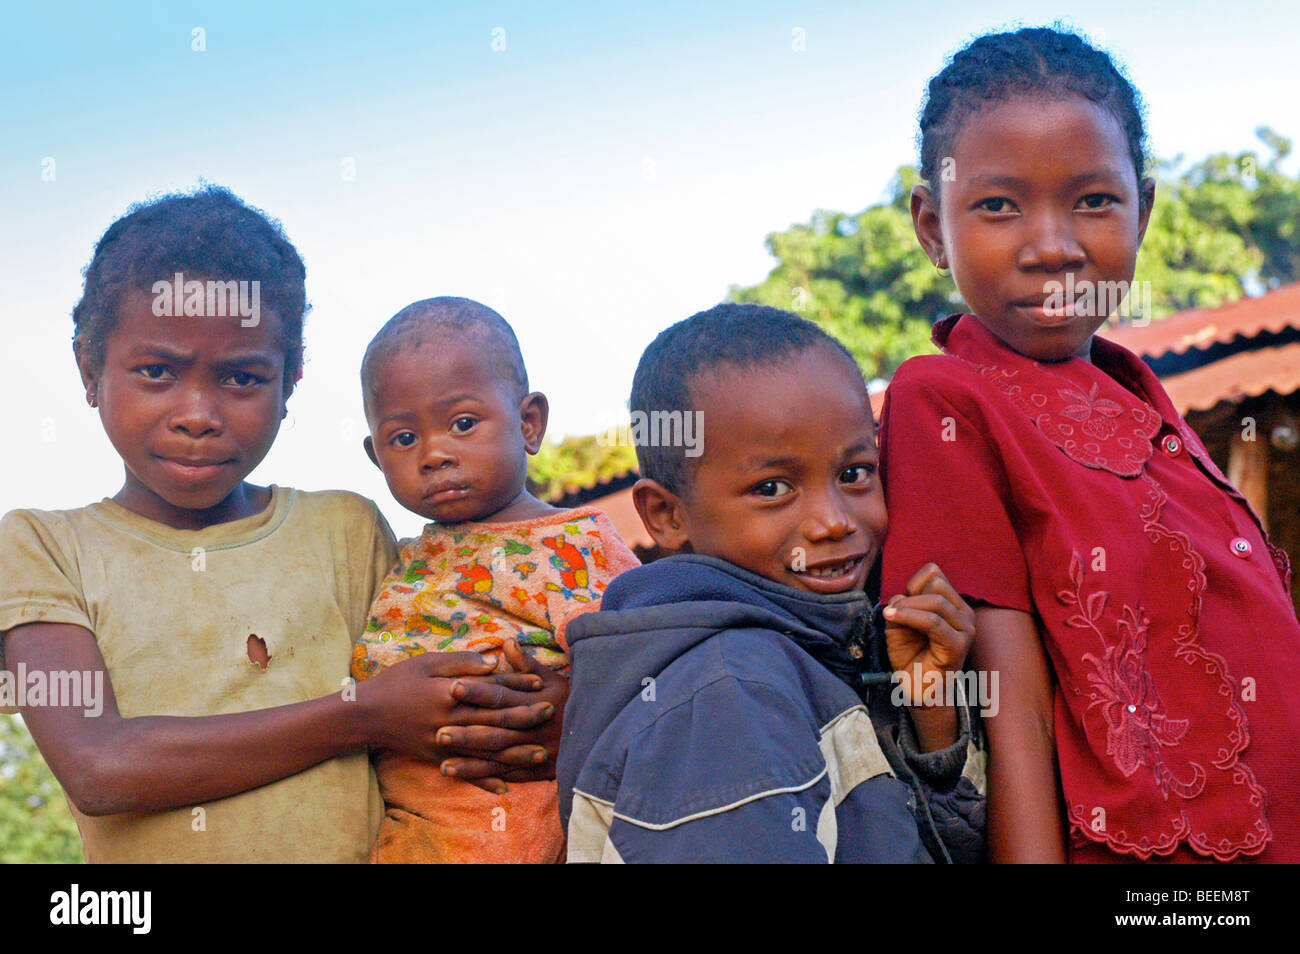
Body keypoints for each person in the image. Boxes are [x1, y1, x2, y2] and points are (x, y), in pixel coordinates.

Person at [0, 188, 557, 862]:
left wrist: (546, 698)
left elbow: (452, 691)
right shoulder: (42, 547)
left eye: (242, 378)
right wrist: (363, 714)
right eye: (157, 372)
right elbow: (99, 766)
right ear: (90, 370)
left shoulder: (347, 530)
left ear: (289, 384)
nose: (199, 413)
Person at [882, 26, 1300, 862]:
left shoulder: (1142, 393)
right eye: (998, 205)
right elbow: (1013, 707)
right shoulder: (945, 400)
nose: (1052, 247)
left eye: (1093, 201)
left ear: (1142, 210)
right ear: (932, 227)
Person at [557, 303, 985, 863]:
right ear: (666, 515)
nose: (834, 520)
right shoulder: (723, 692)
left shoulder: (811, 648)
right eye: (773, 488)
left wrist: (928, 712)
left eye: (854, 474)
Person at [353, 297, 640, 863]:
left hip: (524, 826)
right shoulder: (402, 558)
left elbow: (645, 672)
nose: (434, 453)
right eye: (403, 439)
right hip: (411, 835)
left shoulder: (576, 547)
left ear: (529, 423)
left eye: (463, 424)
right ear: (375, 455)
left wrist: (576, 712)